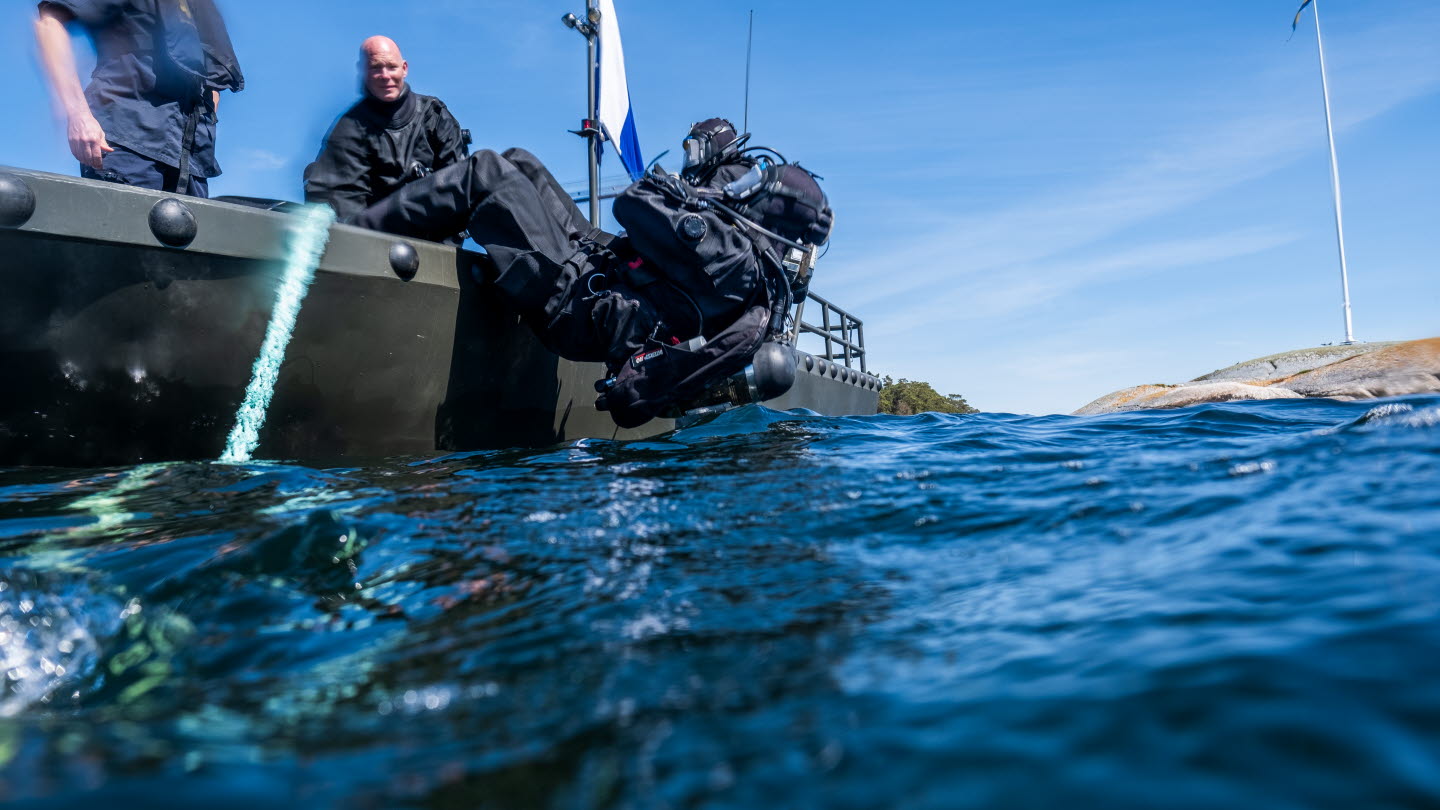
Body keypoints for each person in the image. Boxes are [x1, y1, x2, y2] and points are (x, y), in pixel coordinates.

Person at [352, 130, 833, 426]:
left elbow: (633, 205)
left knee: (490, 173)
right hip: (605, 277)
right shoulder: (752, 272)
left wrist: (694, 192)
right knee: (522, 161)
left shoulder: (727, 251)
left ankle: (350, 233)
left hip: (577, 300)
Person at [33, 0, 244, 197]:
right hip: (128, 140)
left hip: (191, 162)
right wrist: (79, 116)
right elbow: (50, 23)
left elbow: (214, 82)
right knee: (119, 233)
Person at [304, 36, 470, 228]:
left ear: (404, 68)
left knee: (487, 167)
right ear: (363, 71)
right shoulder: (346, 131)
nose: (385, 75)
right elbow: (340, 201)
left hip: (434, 234)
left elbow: (458, 186)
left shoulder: (434, 116)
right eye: (376, 67)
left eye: (391, 67)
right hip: (373, 237)